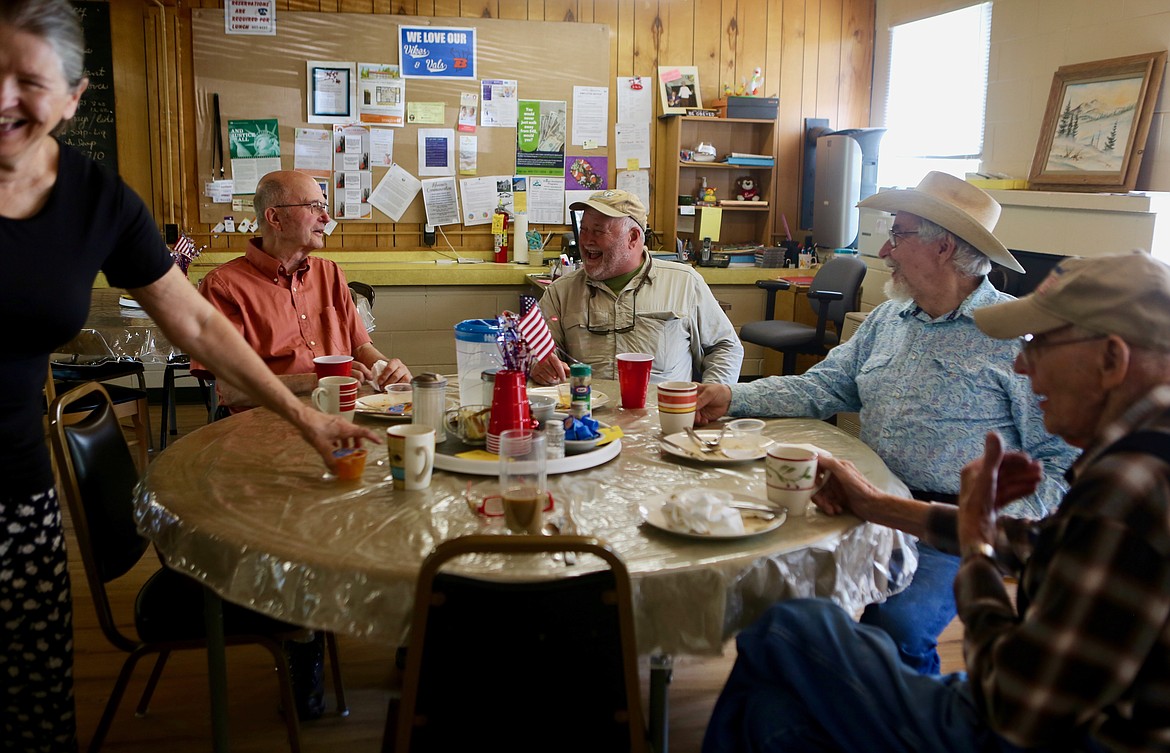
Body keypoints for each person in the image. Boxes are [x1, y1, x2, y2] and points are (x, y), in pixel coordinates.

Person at [0, 2, 376, 750]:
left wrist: (309, 422)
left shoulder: (97, 198)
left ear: (75, 99)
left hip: (13, 488)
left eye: (27, 81)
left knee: (33, 701)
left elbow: (199, 326)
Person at [703, 251, 1170, 752]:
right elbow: (1053, 545)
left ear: (1112, 358)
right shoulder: (1140, 454)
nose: (1021, 362)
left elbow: (1015, 709)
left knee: (788, 625)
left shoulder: (1130, 485)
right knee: (772, 718)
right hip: (1046, 700)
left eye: (1043, 344)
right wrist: (881, 505)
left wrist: (976, 556)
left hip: (1030, 728)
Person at [695, 172, 1077, 674]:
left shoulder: (1013, 338)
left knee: (895, 634)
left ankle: (906, 720)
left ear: (944, 247)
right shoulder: (887, 320)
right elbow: (823, 387)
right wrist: (732, 395)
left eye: (900, 234)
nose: (887, 250)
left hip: (950, 524)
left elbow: (1060, 462)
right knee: (774, 610)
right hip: (862, 500)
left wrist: (994, 529)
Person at [191, 169, 410, 410]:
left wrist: (387, 368)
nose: (326, 217)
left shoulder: (330, 274)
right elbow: (233, 391)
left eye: (324, 206)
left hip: (342, 413)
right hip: (269, 424)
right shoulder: (224, 286)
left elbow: (361, 348)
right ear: (275, 218)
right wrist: (316, 382)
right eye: (314, 206)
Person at [529, 189, 743, 385]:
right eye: (583, 230)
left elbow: (725, 347)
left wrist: (714, 393)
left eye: (598, 231)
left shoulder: (684, 282)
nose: (586, 241)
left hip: (663, 418)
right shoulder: (562, 291)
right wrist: (537, 365)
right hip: (587, 416)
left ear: (632, 237)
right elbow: (535, 351)